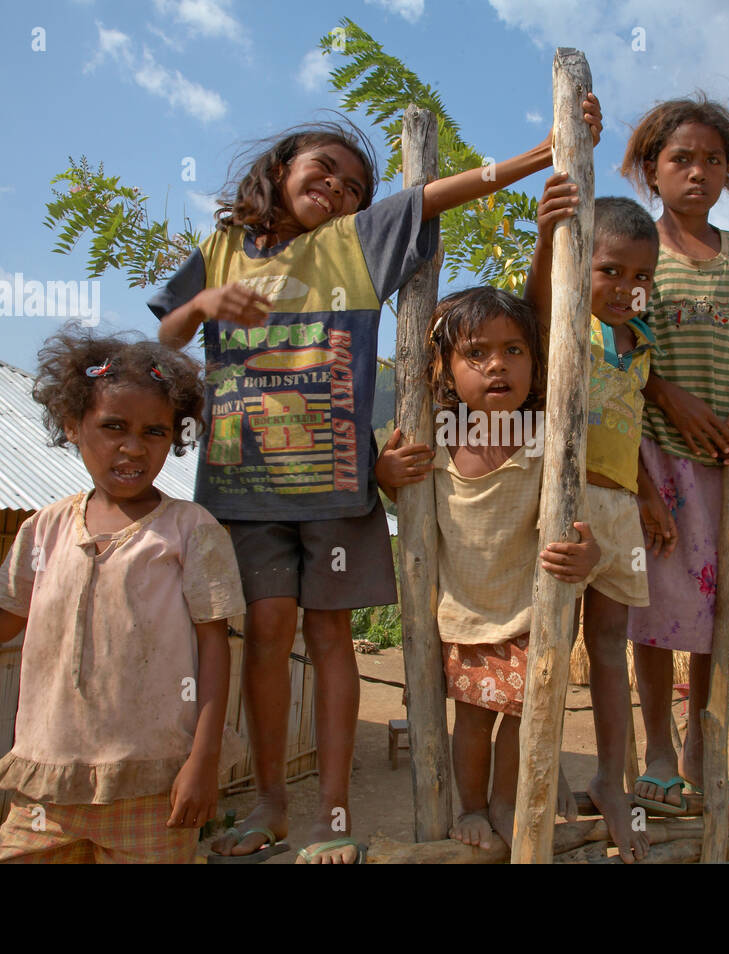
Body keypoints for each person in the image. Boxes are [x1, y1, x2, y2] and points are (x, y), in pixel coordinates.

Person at [152, 102, 601, 863]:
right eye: (322, 170)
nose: (339, 188)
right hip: (243, 483)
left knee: (332, 637)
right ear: (279, 168)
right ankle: (269, 803)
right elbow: (169, 333)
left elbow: (430, 197)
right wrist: (202, 304)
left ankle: (331, 814)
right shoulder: (224, 246)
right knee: (264, 636)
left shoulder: (351, 247)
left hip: (337, 482)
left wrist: (540, 156)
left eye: (357, 185)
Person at [0, 330, 245, 863]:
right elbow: (0, 620)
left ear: (175, 439)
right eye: (113, 427)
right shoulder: (45, 528)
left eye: (155, 432)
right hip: (46, 789)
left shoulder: (190, 529)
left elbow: (215, 647)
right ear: (71, 426)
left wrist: (204, 759)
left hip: (153, 786)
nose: (133, 447)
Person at [378, 287, 599, 851]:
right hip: (465, 614)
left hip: (533, 611)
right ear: (446, 371)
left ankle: (506, 800)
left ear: (536, 364)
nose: (497, 365)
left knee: (528, 717)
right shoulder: (431, 437)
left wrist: (585, 554)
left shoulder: (551, 437)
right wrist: (384, 474)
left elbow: (582, 526)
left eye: (514, 351)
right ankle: (472, 806)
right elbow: (389, 495)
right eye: (476, 353)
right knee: (475, 721)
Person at [619, 95, 729, 833]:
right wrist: (667, 394)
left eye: (713, 160)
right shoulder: (638, 249)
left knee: (719, 619)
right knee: (658, 612)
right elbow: (619, 336)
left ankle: (705, 760)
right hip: (657, 450)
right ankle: (657, 754)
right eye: (680, 158)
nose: (697, 172)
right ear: (651, 169)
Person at [525, 182, 660, 862]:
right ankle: (538, 780)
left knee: (611, 647)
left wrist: (652, 499)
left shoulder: (639, 341)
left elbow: (634, 429)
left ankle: (612, 779)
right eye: (611, 270)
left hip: (622, 508)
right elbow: (533, 310)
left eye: (642, 276)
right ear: (583, 266)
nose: (626, 286)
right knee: (547, 643)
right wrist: (549, 242)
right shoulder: (567, 322)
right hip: (567, 503)